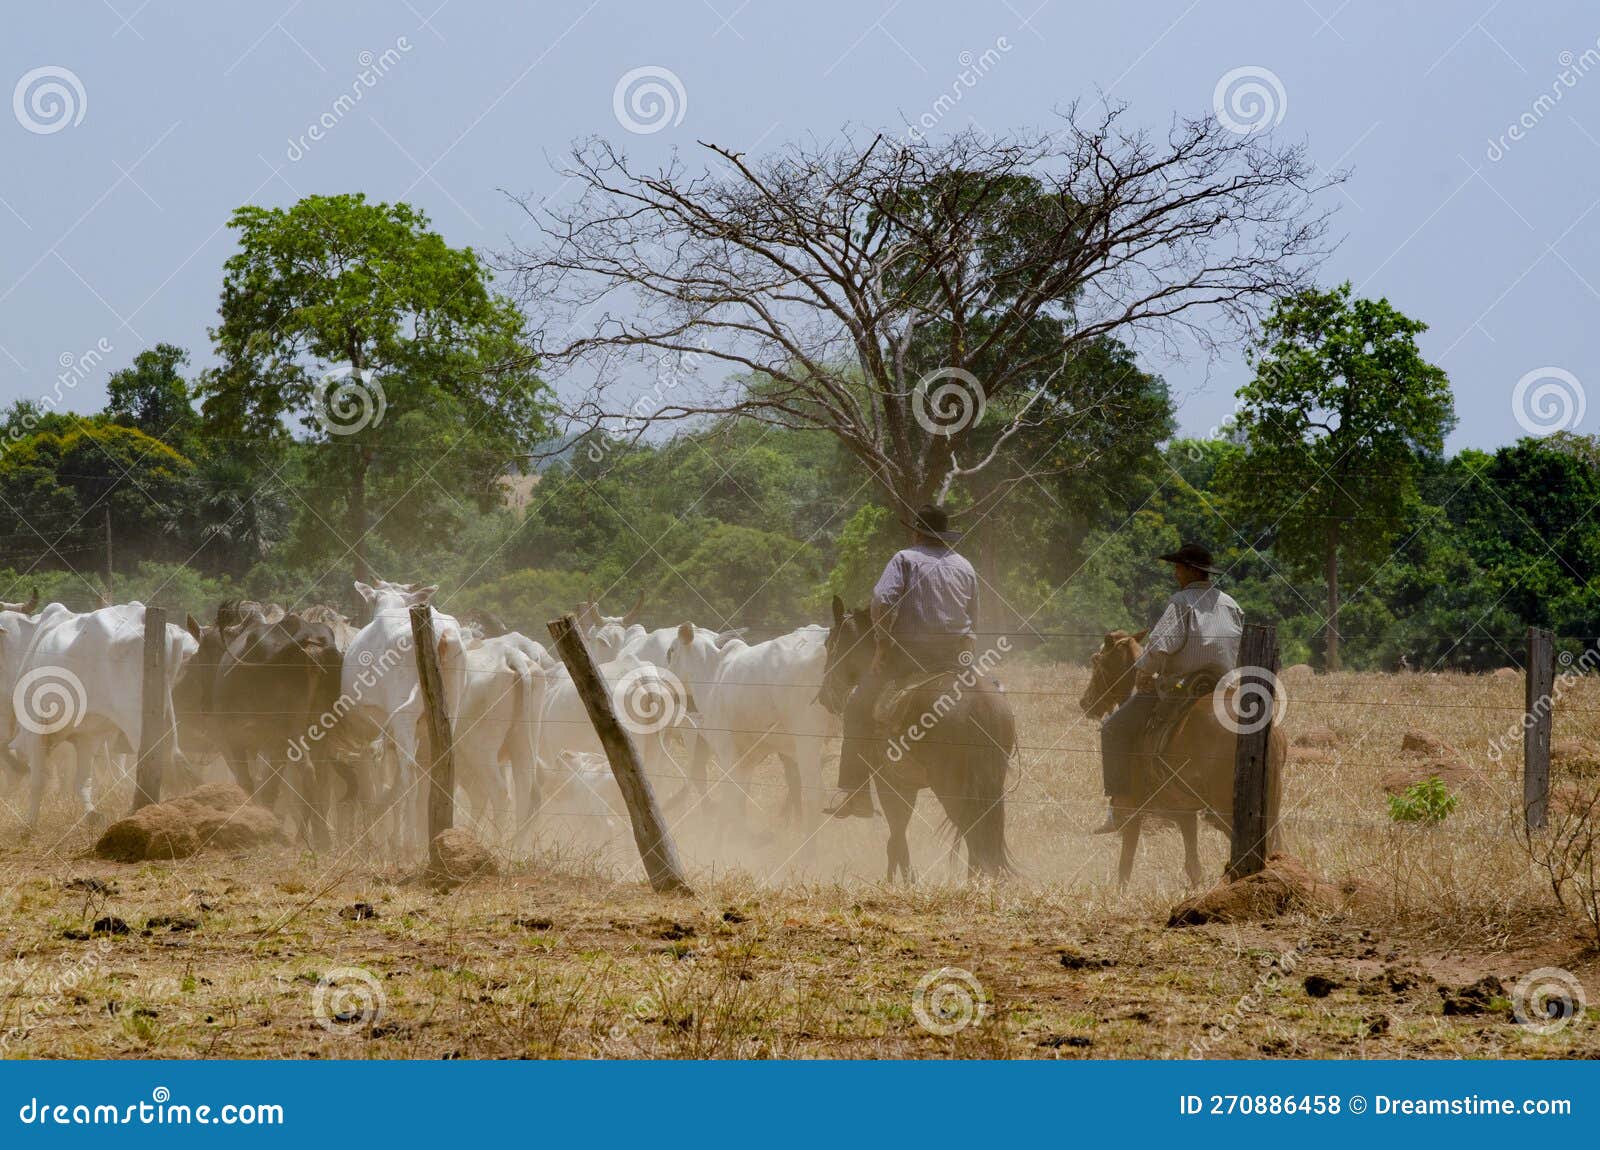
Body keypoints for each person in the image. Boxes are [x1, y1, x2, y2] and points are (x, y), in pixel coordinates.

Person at [822, 503, 979, 819]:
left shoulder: (905, 559)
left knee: (856, 707)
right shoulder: (965, 566)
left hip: (910, 657)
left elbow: (882, 599)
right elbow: (974, 619)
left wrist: (881, 645)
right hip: (955, 661)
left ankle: (853, 792)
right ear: (945, 535)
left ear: (917, 532)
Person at [1094, 543, 1242, 834]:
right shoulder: (1231, 604)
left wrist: (1144, 672)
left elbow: (1161, 645)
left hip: (1181, 687)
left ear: (1190, 570)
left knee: (1112, 728)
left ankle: (1121, 803)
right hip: (1223, 687)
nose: (1175, 573)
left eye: (1178, 567)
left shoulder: (1181, 602)